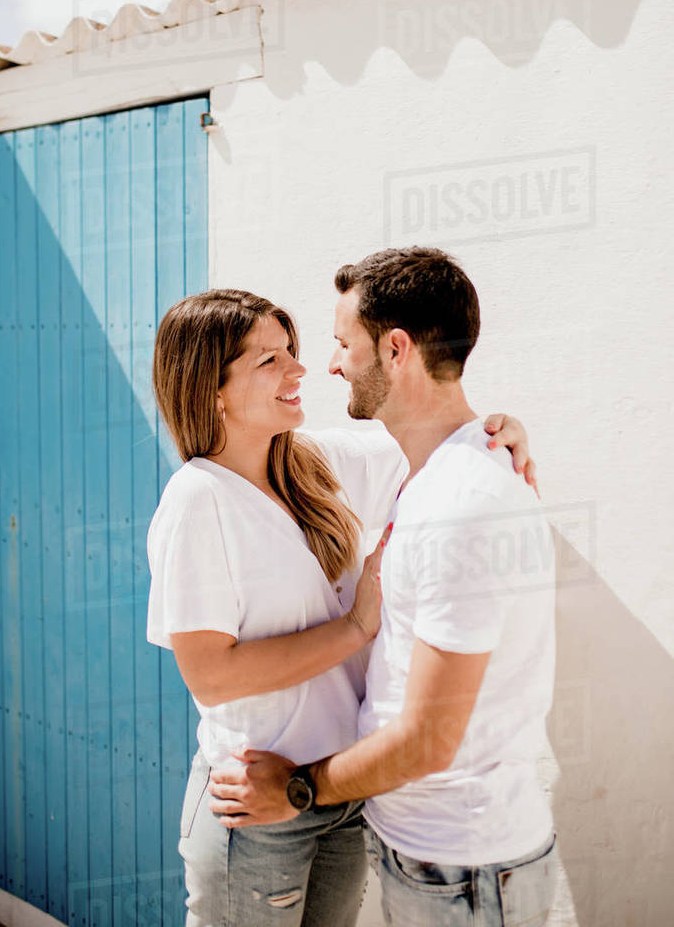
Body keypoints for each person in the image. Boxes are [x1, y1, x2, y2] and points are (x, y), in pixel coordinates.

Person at [146, 286, 536, 927]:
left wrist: (500, 429)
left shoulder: (320, 461)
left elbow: (441, 438)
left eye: (291, 351)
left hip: (339, 791)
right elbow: (211, 675)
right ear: (211, 389)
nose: (299, 369)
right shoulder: (197, 499)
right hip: (257, 805)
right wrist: (356, 626)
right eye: (269, 360)